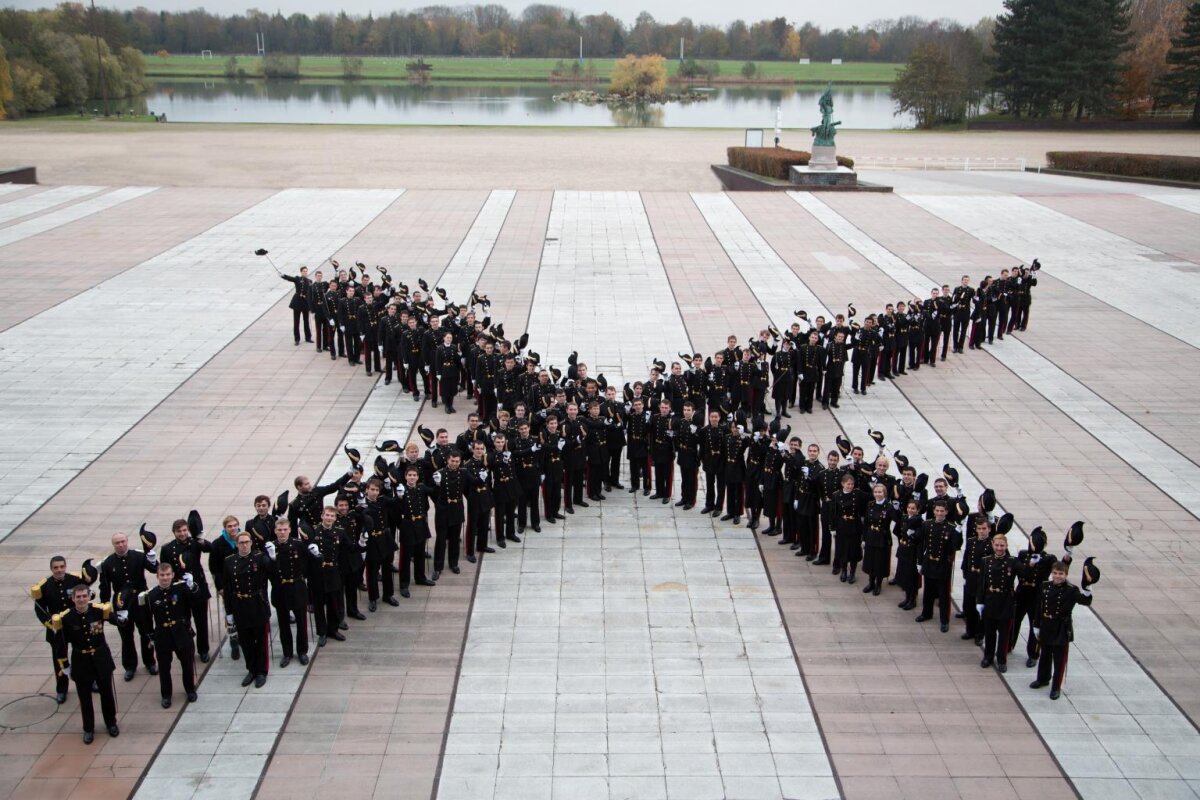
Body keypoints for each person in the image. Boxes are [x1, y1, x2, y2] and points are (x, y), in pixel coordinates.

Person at [50, 583, 119, 743]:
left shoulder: (98, 611)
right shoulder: (66, 618)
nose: (81, 599)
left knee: (107, 694)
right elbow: (60, 644)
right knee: (85, 698)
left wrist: (121, 617)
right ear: (73, 599)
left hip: (101, 658)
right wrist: (65, 665)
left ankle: (111, 723)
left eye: (84, 596)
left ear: (89, 596)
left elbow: (115, 620)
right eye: (78, 597)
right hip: (81, 661)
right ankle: (88, 728)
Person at [1030, 559, 1095, 699]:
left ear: (1066, 574)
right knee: (1045, 655)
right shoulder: (1045, 586)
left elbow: (1085, 601)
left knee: (1059, 660)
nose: (1057, 576)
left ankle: (1056, 687)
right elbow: (1038, 607)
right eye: (1055, 573)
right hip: (1046, 624)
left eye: (1061, 573)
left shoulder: (1071, 590)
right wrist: (1036, 625)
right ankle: (1042, 679)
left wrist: (1088, 587)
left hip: (1061, 627)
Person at [99, 532, 158, 681]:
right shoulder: (108, 563)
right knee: (126, 635)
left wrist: (152, 558)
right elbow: (105, 587)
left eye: (123, 541)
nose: (121, 545)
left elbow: (154, 569)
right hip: (121, 603)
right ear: (113, 545)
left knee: (146, 632)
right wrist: (106, 607)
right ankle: (130, 666)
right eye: (117, 542)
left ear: (127, 541)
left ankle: (150, 661)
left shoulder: (138, 556)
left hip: (140, 600)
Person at [139, 561, 198, 707]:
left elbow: (195, 601)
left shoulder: (181, 588)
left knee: (187, 664)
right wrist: (150, 636)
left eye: (168, 575)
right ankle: (166, 695)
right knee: (164, 668)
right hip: (163, 635)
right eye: (162, 575)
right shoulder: (151, 595)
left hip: (181, 631)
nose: (165, 578)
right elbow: (146, 619)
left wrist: (193, 587)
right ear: (157, 576)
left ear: (172, 575)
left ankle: (190, 689)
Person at [31, 556, 88, 704]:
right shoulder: (45, 586)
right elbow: (40, 611)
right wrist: (51, 625)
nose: (59, 570)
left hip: (75, 626)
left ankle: (89, 681)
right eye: (56, 567)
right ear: (51, 569)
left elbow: (85, 598)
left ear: (65, 566)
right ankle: (62, 689)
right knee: (59, 660)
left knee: (83, 656)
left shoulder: (75, 581)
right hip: (57, 629)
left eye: (62, 566)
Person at [222, 531, 272, 688]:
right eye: (241, 542)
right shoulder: (230, 562)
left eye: (246, 542)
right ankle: (251, 669)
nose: (244, 545)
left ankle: (262, 671)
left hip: (256, 603)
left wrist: (273, 557)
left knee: (261, 640)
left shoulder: (259, 558)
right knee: (246, 641)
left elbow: (272, 570)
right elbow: (227, 588)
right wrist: (229, 612)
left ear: (251, 543)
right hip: (240, 604)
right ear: (236, 545)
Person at [161, 518, 214, 662]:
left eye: (185, 530)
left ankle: (203, 649)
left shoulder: (194, 543)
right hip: (180, 590)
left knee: (201, 621)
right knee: (184, 622)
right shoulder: (167, 548)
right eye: (179, 531)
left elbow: (210, 548)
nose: (182, 533)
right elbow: (163, 568)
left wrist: (202, 539)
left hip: (197, 588)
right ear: (174, 532)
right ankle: (188, 649)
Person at [266, 517, 314, 666]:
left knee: (301, 623)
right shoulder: (270, 548)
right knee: (283, 623)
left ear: (290, 530)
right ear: (275, 531)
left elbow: (307, 563)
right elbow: (268, 572)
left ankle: (302, 651)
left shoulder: (298, 545)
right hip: (280, 589)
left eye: (285, 529)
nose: (282, 533)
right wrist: (272, 559)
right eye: (279, 530)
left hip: (297, 587)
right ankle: (287, 653)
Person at [975, 532, 1022, 673]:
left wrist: (1031, 563)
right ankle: (988, 657)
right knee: (989, 632)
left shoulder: (1012, 561)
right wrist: (979, 601)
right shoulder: (986, 560)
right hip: (990, 600)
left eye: (1002, 545)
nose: (999, 548)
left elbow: (1024, 574)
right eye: (997, 545)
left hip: (1005, 602)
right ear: (992, 545)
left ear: (1006, 546)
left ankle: (1001, 659)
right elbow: (981, 583)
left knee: (1003, 634)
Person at [913, 503, 963, 633]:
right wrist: (919, 561)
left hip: (942, 564)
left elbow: (956, 546)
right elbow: (920, 543)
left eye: (942, 511)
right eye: (937, 511)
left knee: (943, 595)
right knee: (928, 591)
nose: (939, 513)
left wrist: (959, 532)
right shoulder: (927, 524)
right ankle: (926, 613)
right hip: (929, 562)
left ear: (946, 512)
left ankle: (944, 620)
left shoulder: (951, 528)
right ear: (934, 512)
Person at [831, 472, 867, 584]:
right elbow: (833, 512)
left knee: (854, 550)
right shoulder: (836, 495)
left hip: (854, 525)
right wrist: (833, 527)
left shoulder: (858, 494)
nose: (850, 486)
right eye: (848, 484)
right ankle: (844, 571)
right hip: (842, 525)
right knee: (843, 550)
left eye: (852, 484)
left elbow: (869, 497)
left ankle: (852, 572)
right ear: (842, 484)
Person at [862, 483, 897, 595]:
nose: (878, 494)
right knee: (870, 560)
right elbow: (866, 522)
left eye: (880, 492)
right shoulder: (870, 504)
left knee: (880, 562)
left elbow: (897, 519)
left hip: (882, 536)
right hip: (871, 535)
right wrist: (864, 538)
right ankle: (871, 582)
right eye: (876, 492)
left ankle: (878, 584)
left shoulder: (889, 506)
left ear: (884, 493)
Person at [281, 265, 312, 346]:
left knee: (306, 321)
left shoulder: (309, 281)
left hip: (305, 302)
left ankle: (308, 337)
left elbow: (310, 292)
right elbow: (290, 278)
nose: (305, 272)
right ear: (301, 272)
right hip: (297, 301)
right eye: (303, 271)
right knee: (296, 321)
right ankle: (297, 339)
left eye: (306, 271)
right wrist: (283, 276)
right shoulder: (298, 279)